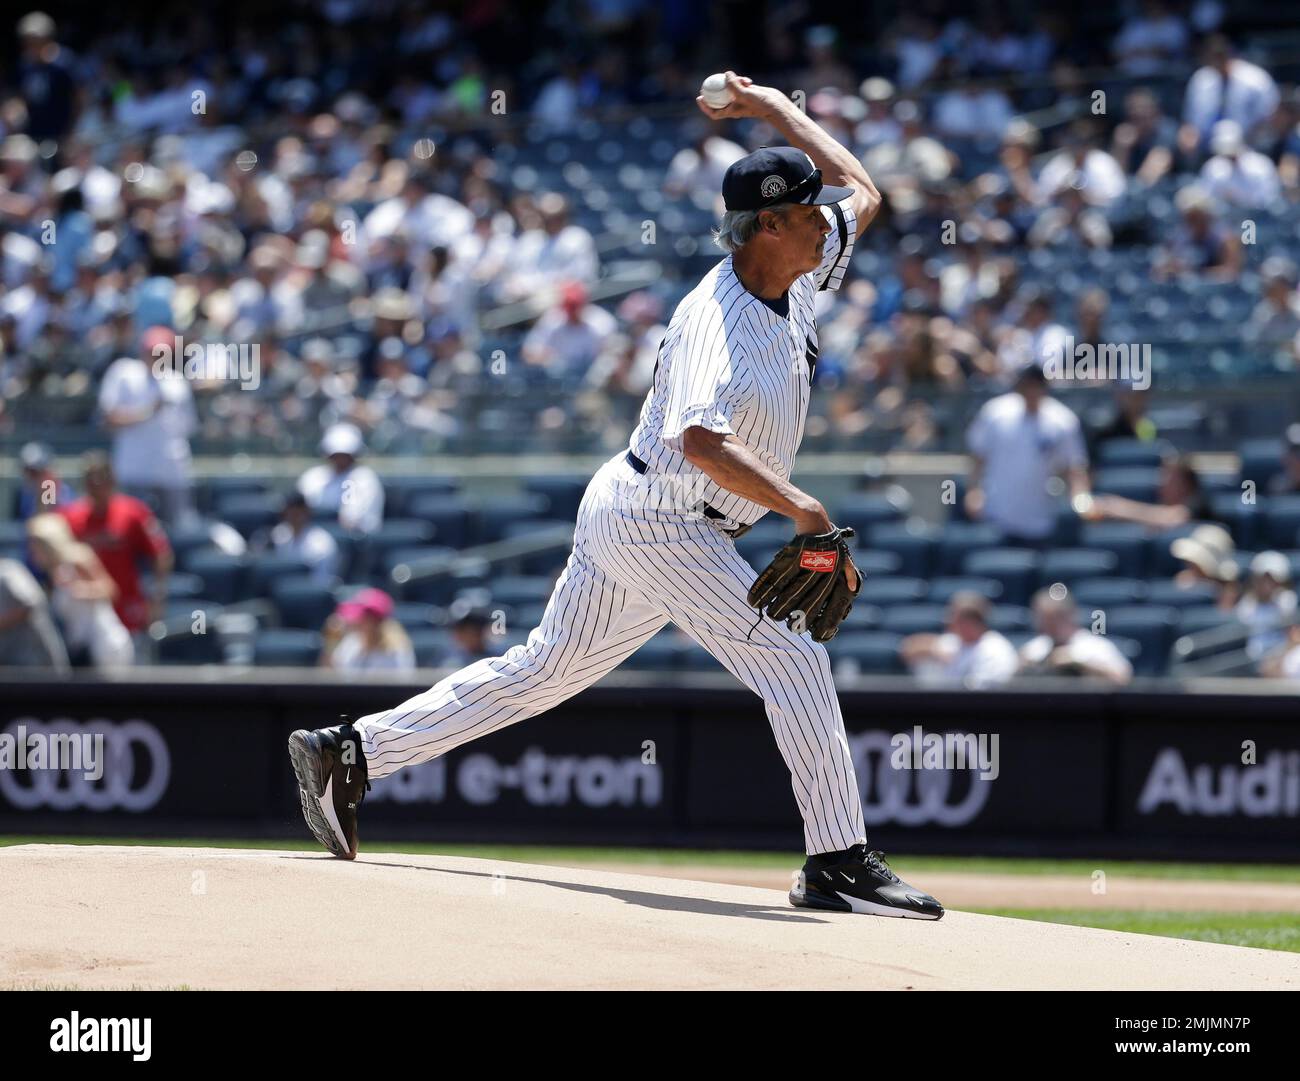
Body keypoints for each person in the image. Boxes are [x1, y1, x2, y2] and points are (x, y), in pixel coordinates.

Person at [288, 70, 944, 921]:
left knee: (542, 672)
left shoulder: (801, 274)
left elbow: (869, 191)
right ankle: (837, 862)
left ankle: (353, 752)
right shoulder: (717, 318)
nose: (831, 222)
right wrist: (804, 510)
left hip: (636, 509)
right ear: (769, 225)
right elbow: (699, 441)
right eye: (810, 213)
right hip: (663, 518)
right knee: (796, 660)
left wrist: (775, 110)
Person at [965, 361, 1091, 545]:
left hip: (1041, 520)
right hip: (996, 515)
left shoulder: (1062, 421)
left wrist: (1081, 499)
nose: (1031, 391)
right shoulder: (994, 413)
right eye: (1027, 385)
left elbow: (1074, 467)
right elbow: (978, 458)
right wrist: (973, 491)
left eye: (1036, 385)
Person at [60, 453, 173, 638]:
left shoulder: (133, 511)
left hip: (126, 604)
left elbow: (161, 555)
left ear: (112, 481)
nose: (97, 488)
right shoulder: (71, 516)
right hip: (87, 607)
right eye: (91, 482)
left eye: (102, 480)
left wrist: (157, 599)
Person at [98, 325, 198, 528]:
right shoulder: (123, 372)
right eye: (152, 351)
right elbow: (108, 419)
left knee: (177, 533)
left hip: (172, 473)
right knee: (129, 531)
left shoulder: (177, 382)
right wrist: (147, 413)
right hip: (134, 471)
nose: (156, 356)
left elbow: (189, 426)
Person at [26, 513, 133, 670]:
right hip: (82, 651)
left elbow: (110, 590)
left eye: (36, 547)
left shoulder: (78, 560)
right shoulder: (51, 575)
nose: (32, 553)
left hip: (105, 645)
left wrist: (79, 589)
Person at [899, 592, 1019, 688]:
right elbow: (907, 649)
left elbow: (984, 690)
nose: (947, 620)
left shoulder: (995, 649)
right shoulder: (953, 641)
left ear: (969, 622)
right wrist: (932, 651)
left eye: (953, 616)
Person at [1019, 589, 1133, 684]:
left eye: (1056, 617)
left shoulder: (1095, 646)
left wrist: (1078, 664)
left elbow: (1123, 678)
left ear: (1071, 614)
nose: (1049, 625)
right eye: (1044, 619)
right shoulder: (1034, 648)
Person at [297, 423, 385, 534]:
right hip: (316, 538)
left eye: (345, 455)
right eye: (336, 455)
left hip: (358, 542)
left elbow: (351, 520)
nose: (340, 459)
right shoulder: (312, 476)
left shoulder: (365, 478)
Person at [319, 588, 414, 673]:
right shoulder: (352, 641)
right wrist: (331, 644)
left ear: (375, 621)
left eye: (362, 617)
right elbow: (330, 678)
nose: (355, 621)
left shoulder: (394, 651)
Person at [0, 555, 69, 670]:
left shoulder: (8, 571)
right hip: (12, 663)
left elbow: (32, 603)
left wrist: (3, 622)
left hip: (36, 659)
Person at [1234, 551, 1296, 664]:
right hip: (1250, 661)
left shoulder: (1287, 600)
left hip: (1281, 660)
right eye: (1263, 578)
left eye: (1272, 579)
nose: (1268, 583)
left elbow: (1292, 634)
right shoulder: (1246, 604)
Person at [267, 492, 339, 584]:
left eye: (296, 512)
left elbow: (321, 581)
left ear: (307, 512)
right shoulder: (278, 535)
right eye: (288, 512)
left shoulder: (321, 543)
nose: (292, 517)